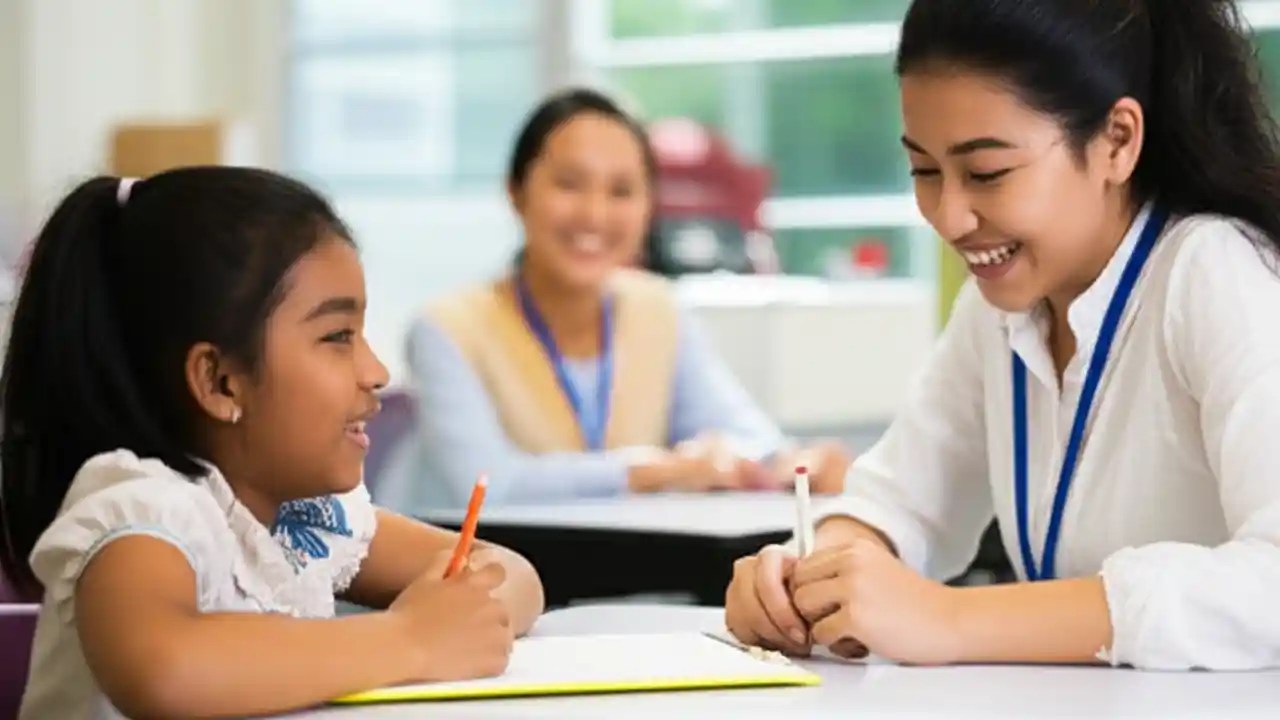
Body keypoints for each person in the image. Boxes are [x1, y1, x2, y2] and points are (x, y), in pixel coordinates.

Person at [726, 0, 1280, 671]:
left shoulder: (1216, 270)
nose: (950, 217)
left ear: (1117, 141)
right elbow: (903, 501)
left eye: (987, 173)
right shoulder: (1002, 305)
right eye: (924, 171)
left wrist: (950, 619)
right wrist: (815, 577)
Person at [0, 168, 545, 720]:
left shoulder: (307, 519)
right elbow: (168, 671)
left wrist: (458, 615)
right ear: (220, 383)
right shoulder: (144, 508)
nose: (377, 371)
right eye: (337, 337)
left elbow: (510, 571)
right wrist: (410, 638)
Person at [387, 88, 850, 510]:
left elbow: (740, 432)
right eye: (569, 184)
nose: (594, 214)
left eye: (622, 191)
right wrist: (650, 470)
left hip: (630, 578)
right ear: (515, 191)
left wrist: (788, 461)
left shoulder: (657, 308)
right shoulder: (447, 329)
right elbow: (491, 485)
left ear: (649, 207)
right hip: (487, 582)